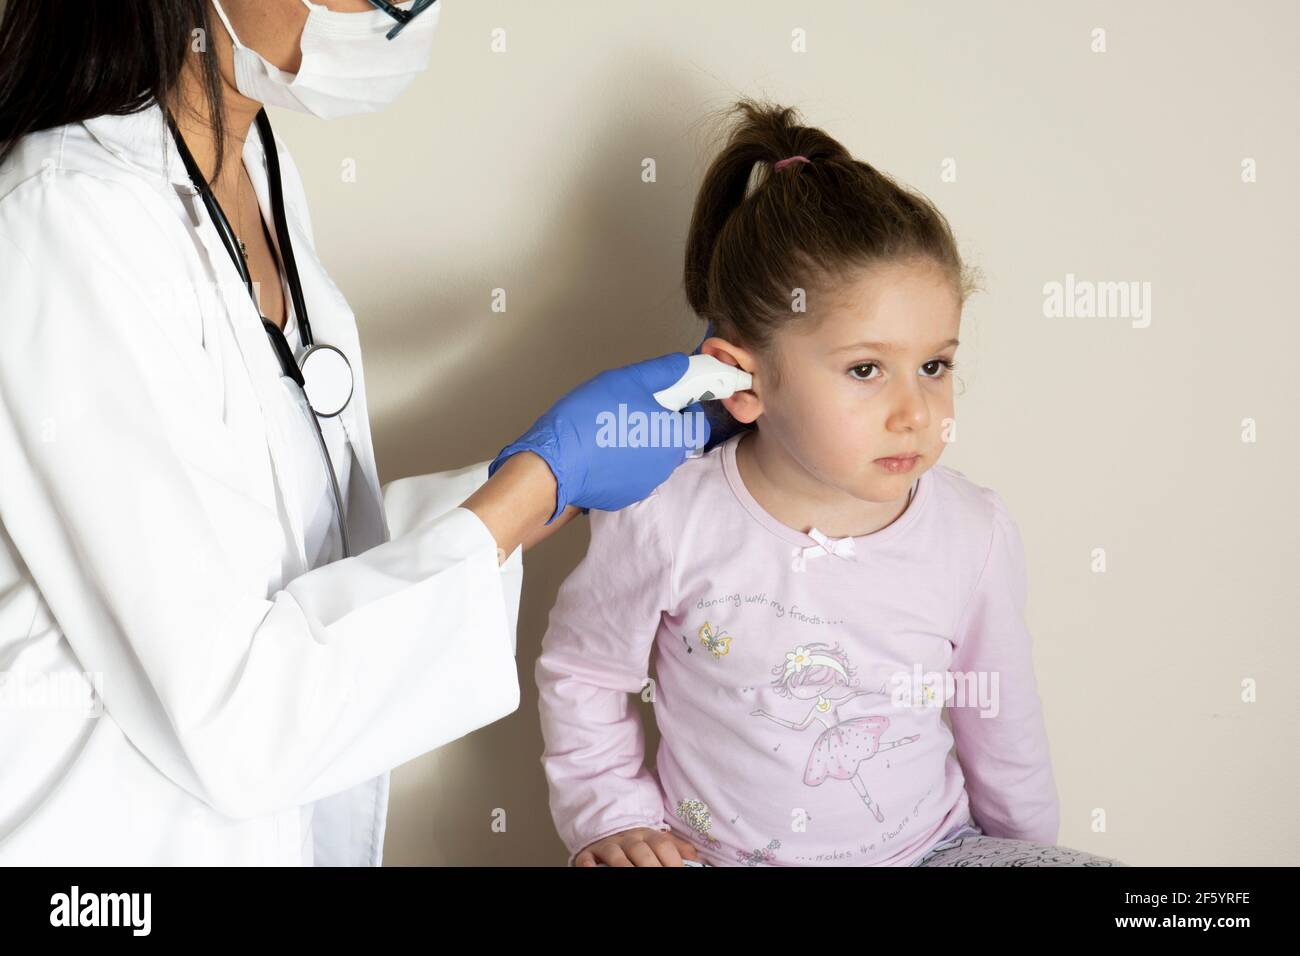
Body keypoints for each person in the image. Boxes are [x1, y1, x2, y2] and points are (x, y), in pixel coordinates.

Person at [0, 0, 705, 865]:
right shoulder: (62, 215)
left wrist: (538, 475)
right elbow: (239, 711)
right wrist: (536, 489)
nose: (396, 9)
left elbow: (308, 565)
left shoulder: (252, 165)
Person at [534, 100, 1125, 867]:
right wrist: (611, 818)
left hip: (931, 852)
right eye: (866, 370)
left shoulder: (970, 530)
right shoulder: (667, 517)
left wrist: (1028, 853)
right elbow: (584, 673)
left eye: (935, 366)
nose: (914, 412)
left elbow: (1001, 718)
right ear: (745, 381)